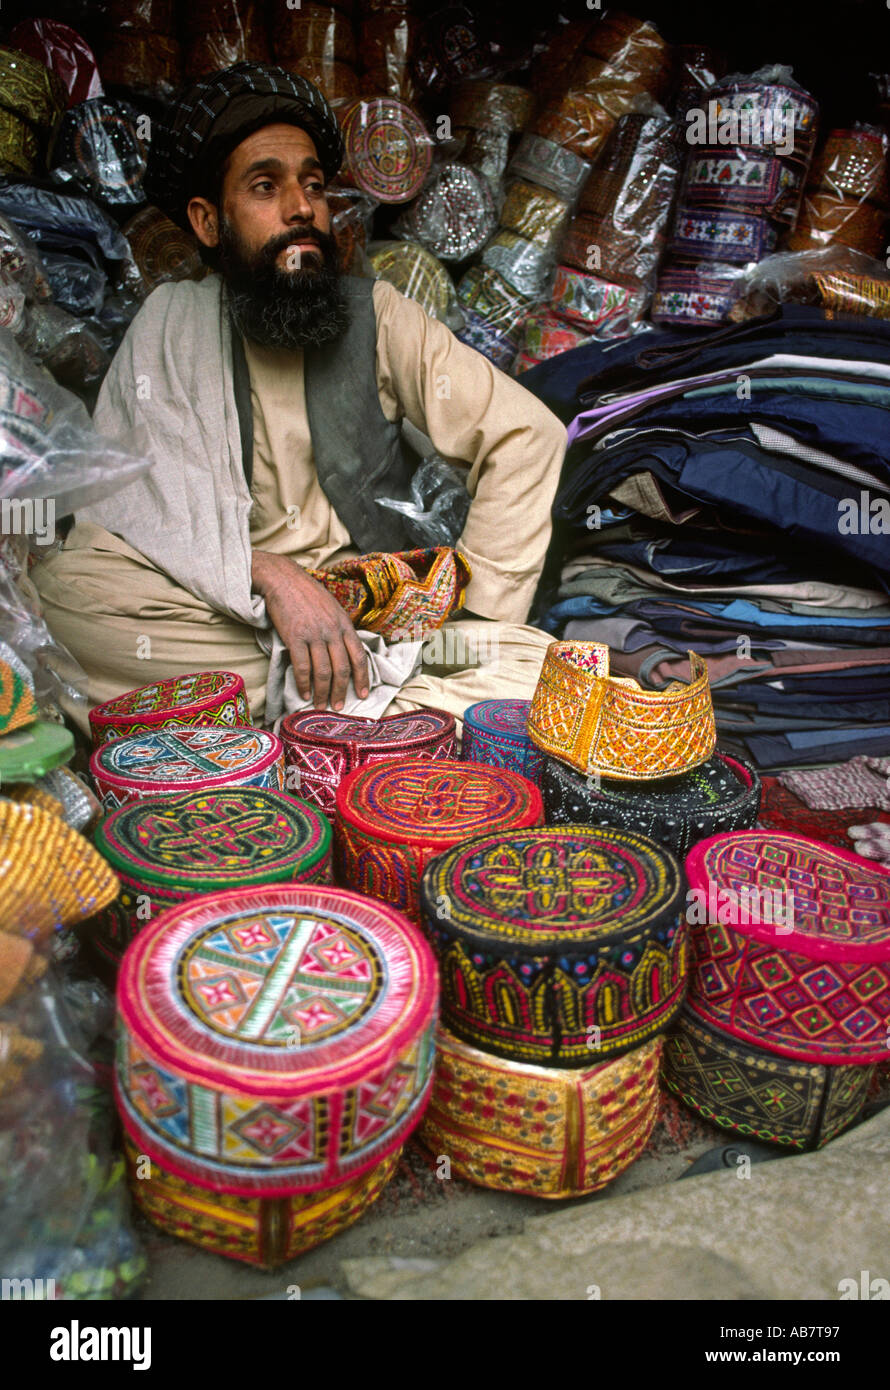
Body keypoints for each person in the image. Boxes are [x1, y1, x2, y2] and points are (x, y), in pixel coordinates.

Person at [33, 64, 566, 737]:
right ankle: (377, 718)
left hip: (363, 623)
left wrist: (480, 618)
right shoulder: (171, 319)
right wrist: (267, 575)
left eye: (313, 186)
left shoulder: (377, 314)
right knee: (64, 600)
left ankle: (293, 706)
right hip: (219, 611)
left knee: (535, 666)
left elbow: (526, 435)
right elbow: (127, 510)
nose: (301, 209)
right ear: (206, 221)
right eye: (266, 187)